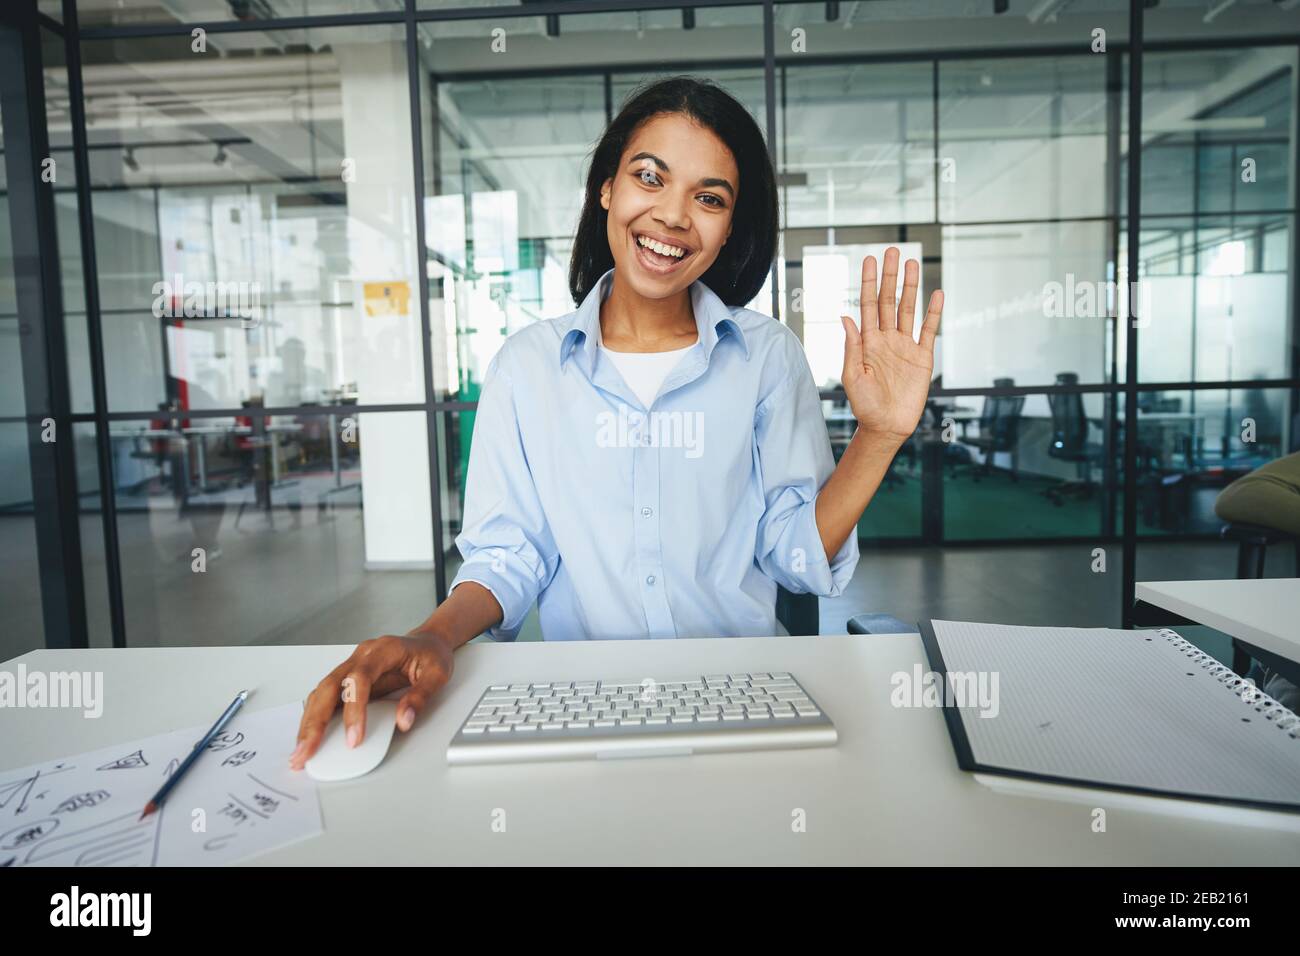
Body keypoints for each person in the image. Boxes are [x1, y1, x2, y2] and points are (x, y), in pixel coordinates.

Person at [290, 76, 944, 767]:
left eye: (709, 198)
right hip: (581, 694)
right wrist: (434, 636)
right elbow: (510, 555)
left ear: (728, 228)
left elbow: (792, 551)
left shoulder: (767, 358)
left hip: (743, 689)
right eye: (649, 178)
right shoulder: (527, 367)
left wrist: (880, 436)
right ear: (607, 187)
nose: (672, 216)